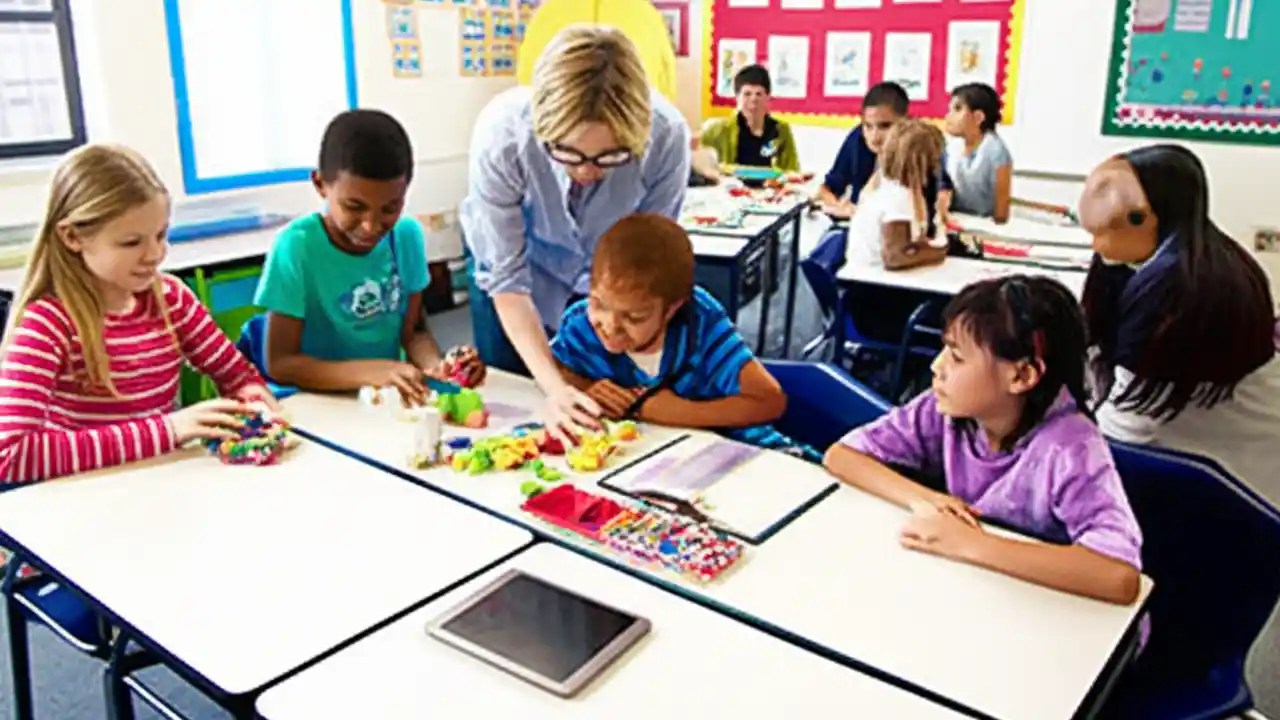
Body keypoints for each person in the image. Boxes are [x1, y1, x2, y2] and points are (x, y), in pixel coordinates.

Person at [826, 276, 1143, 604]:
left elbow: (1118, 575)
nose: (937, 367)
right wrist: (925, 499)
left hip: (1046, 609)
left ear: (1022, 376)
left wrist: (969, 544)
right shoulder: (947, 409)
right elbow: (842, 456)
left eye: (957, 357)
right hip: (977, 589)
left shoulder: (1070, 448)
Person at [460, 24, 690, 440]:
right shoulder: (502, 135)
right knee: (514, 401)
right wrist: (556, 387)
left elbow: (648, 262)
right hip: (518, 277)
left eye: (610, 156)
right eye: (567, 153)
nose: (586, 172)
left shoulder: (667, 138)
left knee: (605, 407)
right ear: (543, 127)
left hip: (606, 284)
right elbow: (507, 282)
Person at [0, 144, 277, 486]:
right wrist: (168, 430)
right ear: (72, 236)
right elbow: (10, 456)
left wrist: (251, 400)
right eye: (131, 243)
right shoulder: (47, 324)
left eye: (161, 235)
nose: (156, 254)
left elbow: (237, 376)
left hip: (157, 485)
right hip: (82, 497)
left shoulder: (171, 298)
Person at [1078, 144, 1280, 505]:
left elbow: (1129, 425)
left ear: (1148, 216)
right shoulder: (1144, 261)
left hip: (1241, 476)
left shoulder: (1181, 286)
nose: (1094, 244)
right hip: (1202, 447)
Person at [254, 110, 484, 406]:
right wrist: (373, 372)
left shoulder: (406, 235)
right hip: (316, 404)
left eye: (390, 208)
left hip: (384, 401)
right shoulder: (296, 247)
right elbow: (281, 363)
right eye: (354, 207)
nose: (371, 226)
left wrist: (436, 368)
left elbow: (413, 332)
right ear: (320, 184)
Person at [551, 214, 818, 460]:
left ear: (671, 309)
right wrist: (582, 387)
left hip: (748, 454)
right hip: (654, 464)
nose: (610, 327)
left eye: (635, 318)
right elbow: (552, 365)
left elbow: (769, 402)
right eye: (598, 304)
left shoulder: (699, 324)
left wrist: (676, 412)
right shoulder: (580, 326)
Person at [815, 82, 949, 220]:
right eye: (868, 126)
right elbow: (828, 188)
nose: (875, 136)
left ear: (905, 122)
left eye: (885, 126)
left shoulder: (920, 145)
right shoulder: (857, 138)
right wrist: (839, 206)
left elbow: (943, 192)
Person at [845, 119, 948, 271]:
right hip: (873, 283)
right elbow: (894, 257)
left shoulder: (884, 184)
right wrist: (940, 251)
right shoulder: (898, 196)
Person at [699, 64, 800, 172]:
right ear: (737, 97)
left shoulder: (781, 130)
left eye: (759, 94)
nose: (753, 99)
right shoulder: (717, 129)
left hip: (772, 187)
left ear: (768, 97)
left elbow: (792, 170)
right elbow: (700, 163)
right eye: (747, 94)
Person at [939, 82, 1012, 223]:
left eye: (957, 109)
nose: (948, 116)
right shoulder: (951, 147)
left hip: (982, 226)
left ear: (978, 117)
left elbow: (1001, 213)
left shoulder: (996, 151)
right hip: (953, 222)